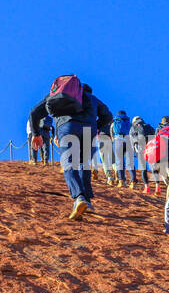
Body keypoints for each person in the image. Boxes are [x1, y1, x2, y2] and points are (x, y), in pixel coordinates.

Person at [28, 77, 112, 220]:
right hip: (88, 131)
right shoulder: (92, 98)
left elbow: (34, 112)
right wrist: (95, 127)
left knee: (69, 164)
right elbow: (108, 116)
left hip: (67, 128)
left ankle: (79, 198)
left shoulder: (57, 95)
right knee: (84, 165)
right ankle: (87, 200)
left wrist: (36, 134)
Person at [128, 115, 154, 191]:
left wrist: (134, 150)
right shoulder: (148, 126)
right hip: (150, 147)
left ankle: (146, 187)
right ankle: (157, 186)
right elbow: (154, 135)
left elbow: (131, 139)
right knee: (153, 165)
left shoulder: (133, 127)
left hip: (140, 148)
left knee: (143, 168)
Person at [110, 110, 133, 187]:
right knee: (130, 161)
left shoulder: (114, 123)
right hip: (128, 141)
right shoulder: (129, 123)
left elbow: (112, 134)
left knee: (119, 162)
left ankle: (121, 181)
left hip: (117, 141)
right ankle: (133, 181)